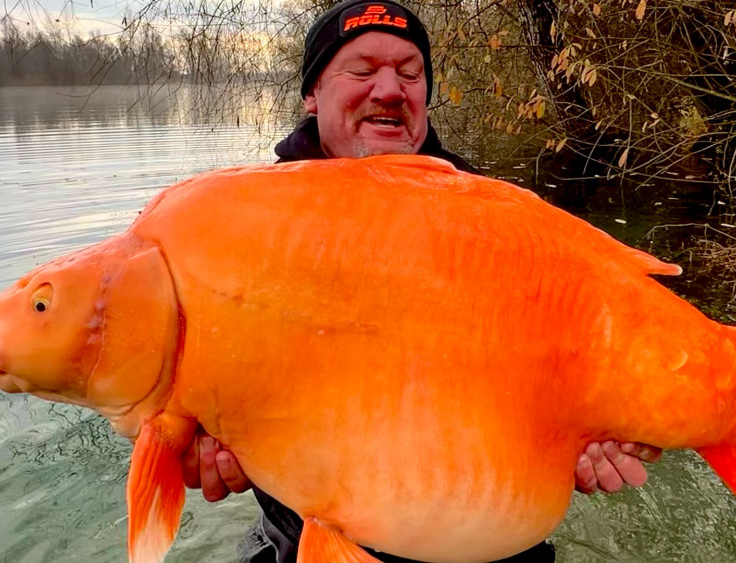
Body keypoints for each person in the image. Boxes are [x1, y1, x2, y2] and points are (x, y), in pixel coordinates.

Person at [181, 1, 662, 561]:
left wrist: (586, 437)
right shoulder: (242, 228)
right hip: (301, 541)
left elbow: (569, 363)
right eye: (361, 71)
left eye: (410, 74)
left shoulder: (498, 225)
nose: (390, 89)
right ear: (312, 94)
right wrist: (185, 437)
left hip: (480, 544)